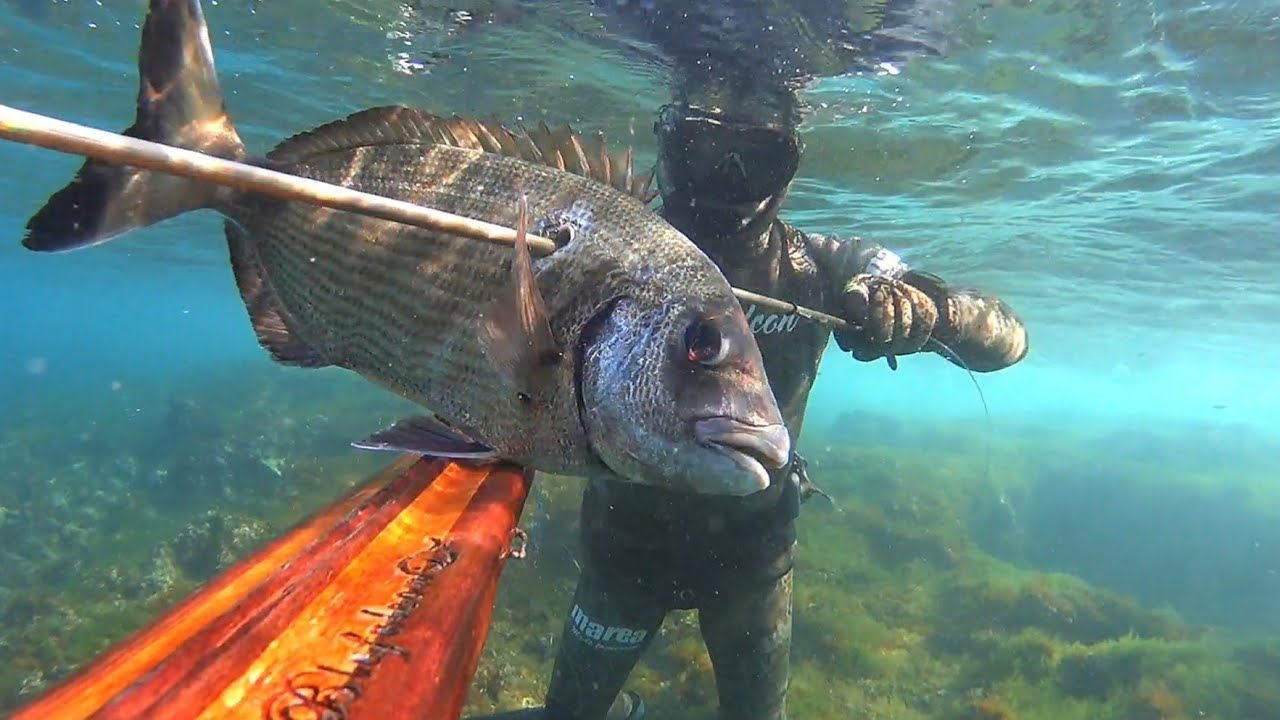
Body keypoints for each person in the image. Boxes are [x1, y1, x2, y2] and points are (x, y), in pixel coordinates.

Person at [470, 2, 1028, 719]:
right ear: (669, 142)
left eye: (758, 157)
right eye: (704, 147)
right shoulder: (603, 254)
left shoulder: (824, 268)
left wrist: (929, 309)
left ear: (789, 168)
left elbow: (1007, 338)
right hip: (622, 556)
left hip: (754, 564)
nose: (727, 177)